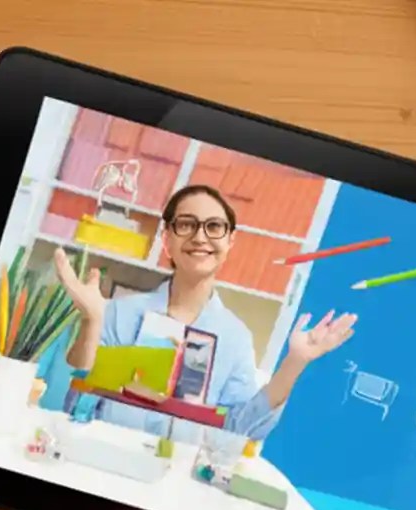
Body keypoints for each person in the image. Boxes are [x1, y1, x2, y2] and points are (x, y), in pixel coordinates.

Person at [53, 184, 356, 441]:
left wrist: (295, 362)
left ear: (229, 241)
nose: (200, 237)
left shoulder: (235, 337)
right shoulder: (120, 312)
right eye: (186, 224)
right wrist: (93, 320)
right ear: (167, 239)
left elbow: (239, 428)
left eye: (214, 227)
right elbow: (77, 402)